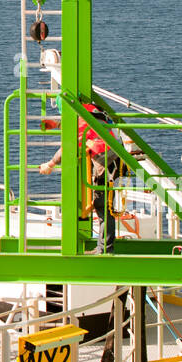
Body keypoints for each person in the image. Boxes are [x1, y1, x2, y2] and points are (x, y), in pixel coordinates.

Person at [38, 102, 120, 253]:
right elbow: (81, 126)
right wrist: (56, 124)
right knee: (103, 205)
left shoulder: (80, 121)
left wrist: (50, 164)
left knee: (103, 206)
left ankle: (105, 250)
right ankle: (103, 247)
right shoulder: (87, 110)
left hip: (106, 161)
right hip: (110, 157)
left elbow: (70, 144)